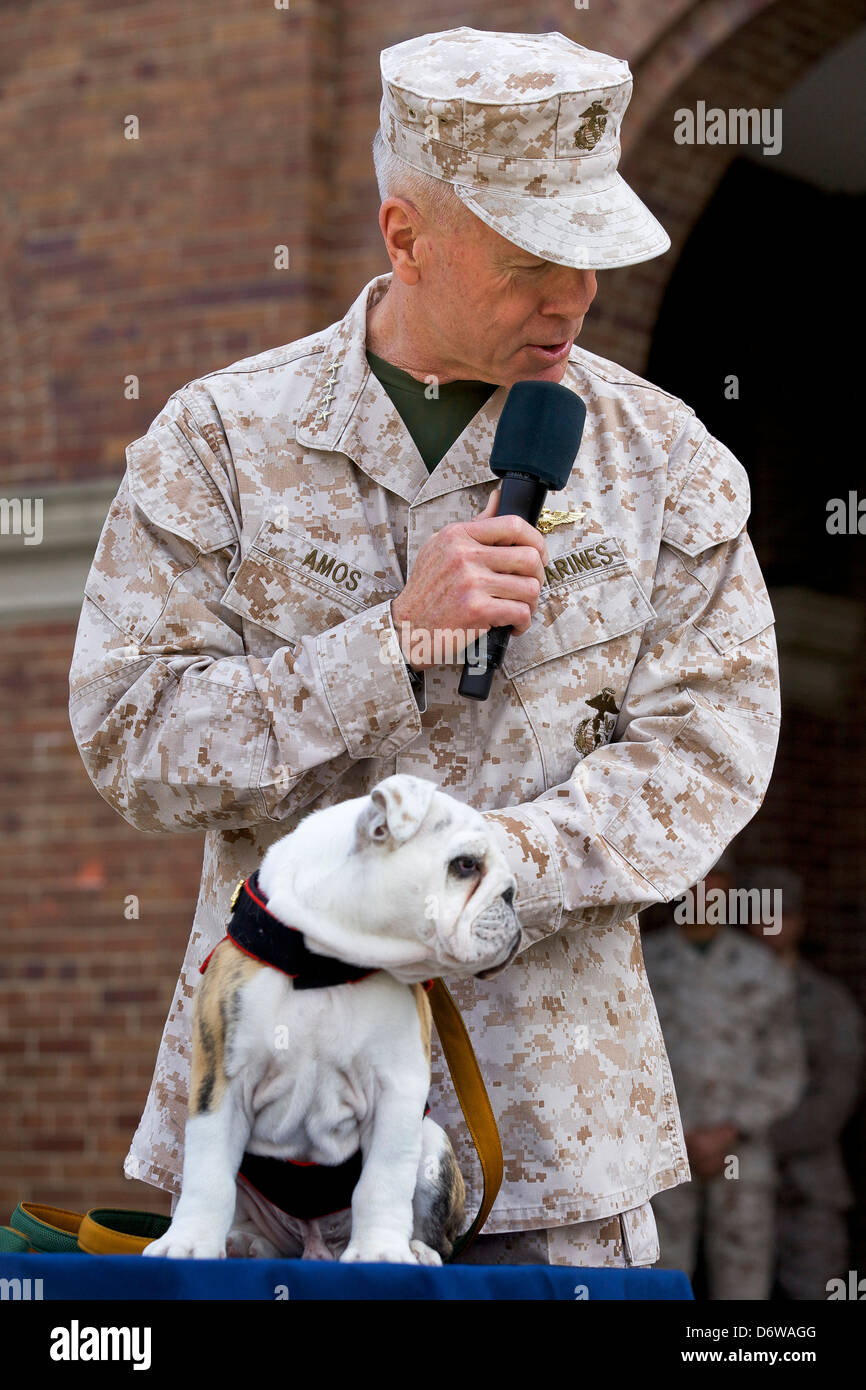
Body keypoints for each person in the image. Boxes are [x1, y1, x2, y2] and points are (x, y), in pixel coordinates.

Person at [68, 27, 781, 1268]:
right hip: (268, 1149)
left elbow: (709, 751)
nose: (568, 298)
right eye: (526, 264)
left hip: (549, 1140)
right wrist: (384, 644)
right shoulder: (222, 440)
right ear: (406, 237)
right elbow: (134, 733)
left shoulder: (665, 464)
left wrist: (491, 864)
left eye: (587, 261)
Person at [643, 860, 805, 1297]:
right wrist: (681, 1134)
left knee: (743, 1276)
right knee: (659, 1272)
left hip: (741, 1153)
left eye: (717, 882)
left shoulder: (762, 969)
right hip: (664, 1152)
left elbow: (784, 1067)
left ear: (732, 890)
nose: (705, 893)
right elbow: (624, 1059)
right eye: (695, 882)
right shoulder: (641, 961)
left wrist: (729, 1130)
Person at [743, 869, 865, 1300]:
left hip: (807, 1183)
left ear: (798, 922)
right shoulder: (718, 994)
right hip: (724, 1185)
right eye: (759, 914)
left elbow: (835, 1096)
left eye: (782, 914)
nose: (769, 924)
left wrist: (750, 1140)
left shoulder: (829, 1002)